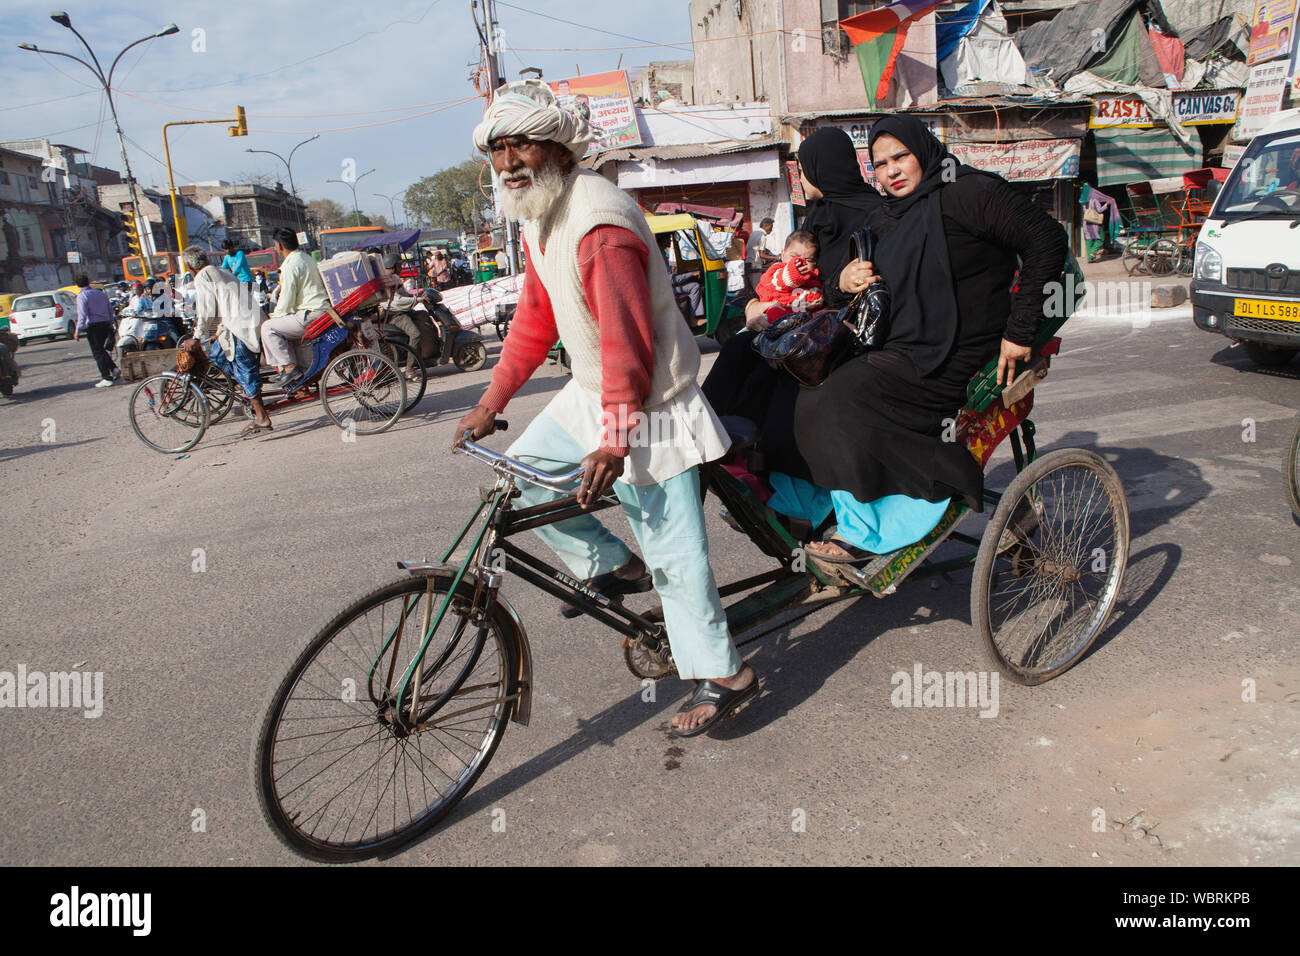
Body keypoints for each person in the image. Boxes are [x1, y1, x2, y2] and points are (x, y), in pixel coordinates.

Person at [457, 79, 758, 738]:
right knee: (520, 478)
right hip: (594, 393)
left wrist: (615, 443)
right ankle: (613, 566)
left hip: (650, 406)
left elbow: (630, 349)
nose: (507, 164)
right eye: (498, 150)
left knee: (675, 556)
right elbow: (537, 317)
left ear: (556, 149)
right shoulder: (541, 215)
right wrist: (491, 401)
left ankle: (728, 673)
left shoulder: (597, 222)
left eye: (520, 147)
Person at [707, 115, 1067, 566]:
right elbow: (840, 292)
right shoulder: (887, 214)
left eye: (901, 157)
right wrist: (844, 279)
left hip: (954, 351)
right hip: (898, 345)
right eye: (880, 164)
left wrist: (1020, 331)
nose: (892, 170)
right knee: (797, 390)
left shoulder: (969, 192)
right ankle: (809, 503)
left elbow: (1046, 240)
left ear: (924, 151)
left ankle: (873, 526)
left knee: (835, 400)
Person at [185, 245, 274, 438]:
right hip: (249, 322)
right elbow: (220, 306)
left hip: (240, 327)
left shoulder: (202, 276)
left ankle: (261, 416)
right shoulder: (220, 272)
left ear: (190, 267)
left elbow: (207, 310)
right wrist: (215, 331)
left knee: (243, 368)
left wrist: (197, 337)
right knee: (218, 358)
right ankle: (246, 399)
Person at [260, 227, 331, 386]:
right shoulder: (306, 258)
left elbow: (287, 298)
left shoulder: (290, 264)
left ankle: (289, 367)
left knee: (267, 328)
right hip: (321, 310)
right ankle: (292, 368)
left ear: (279, 246)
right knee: (280, 326)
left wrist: (275, 316)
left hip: (311, 314)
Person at [753, 229, 823, 323]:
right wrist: (793, 273)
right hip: (777, 315)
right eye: (794, 257)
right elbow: (777, 280)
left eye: (809, 260)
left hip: (805, 321)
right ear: (783, 254)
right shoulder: (776, 270)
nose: (801, 262)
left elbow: (818, 293)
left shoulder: (813, 276)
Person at [72, 275, 119, 387]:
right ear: (88, 282)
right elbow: (109, 309)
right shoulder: (100, 293)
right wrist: (111, 323)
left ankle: (106, 377)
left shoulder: (82, 296)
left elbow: (82, 315)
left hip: (94, 326)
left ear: (77, 285)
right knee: (101, 350)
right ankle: (114, 368)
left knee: (98, 352)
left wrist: (77, 331)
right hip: (105, 324)